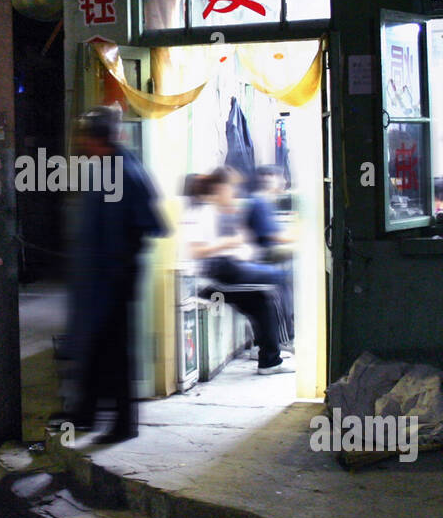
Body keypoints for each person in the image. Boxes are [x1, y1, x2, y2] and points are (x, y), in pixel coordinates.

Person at [65, 105, 167, 442]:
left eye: (85, 137)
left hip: (115, 280)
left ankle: (123, 425)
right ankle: (87, 413)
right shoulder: (106, 168)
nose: (81, 143)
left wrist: (121, 260)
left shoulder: (124, 171)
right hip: (98, 279)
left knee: (115, 352)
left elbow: (152, 224)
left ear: (98, 139)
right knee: (94, 347)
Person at [187, 167, 292, 371]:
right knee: (278, 279)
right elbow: (196, 252)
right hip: (214, 278)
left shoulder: (221, 212)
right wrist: (229, 243)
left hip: (226, 270)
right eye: (231, 188)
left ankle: (268, 358)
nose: (235, 193)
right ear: (219, 188)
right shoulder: (202, 213)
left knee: (261, 301)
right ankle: (276, 350)